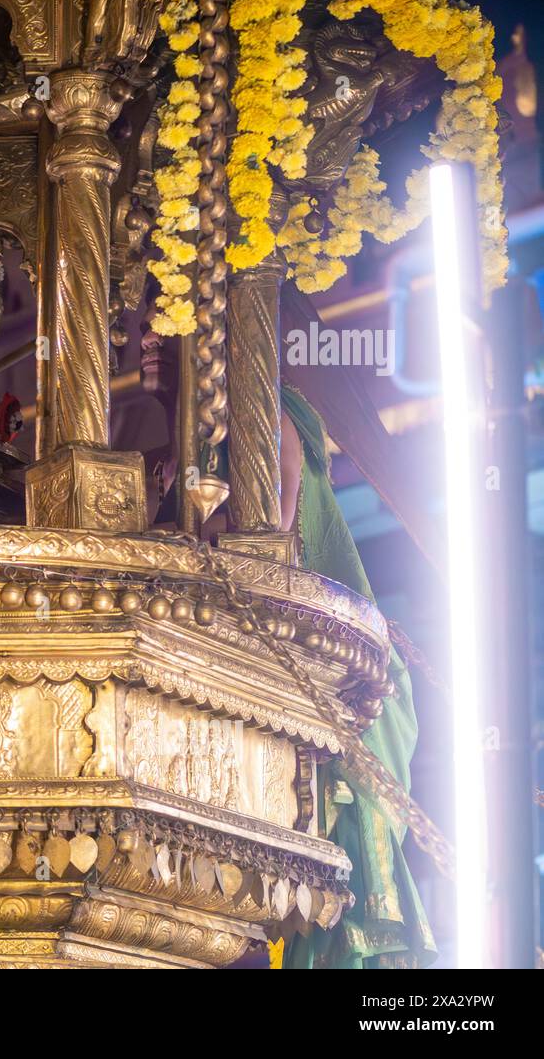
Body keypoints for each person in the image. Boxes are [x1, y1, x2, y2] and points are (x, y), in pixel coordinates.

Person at [278, 383, 437, 968]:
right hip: (315, 658)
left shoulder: (268, 413)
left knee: (336, 871)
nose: (143, 338)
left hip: (331, 665)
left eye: (155, 323)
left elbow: (267, 530)